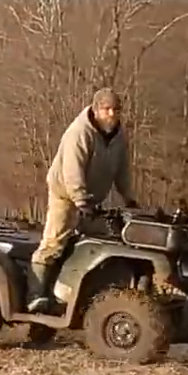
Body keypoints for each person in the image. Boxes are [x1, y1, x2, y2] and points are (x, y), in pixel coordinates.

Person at [28, 88, 137, 313]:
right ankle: (35, 295)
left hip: (91, 197)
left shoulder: (118, 136)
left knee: (91, 244)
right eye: (107, 109)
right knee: (53, 243)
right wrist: (80, 200)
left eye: (116, 110)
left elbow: (122, 170)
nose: (112, 114)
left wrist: (130, 198)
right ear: (96, 110)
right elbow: (72, 171)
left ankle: (68, 296)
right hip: (65, 194)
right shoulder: (79, 133)